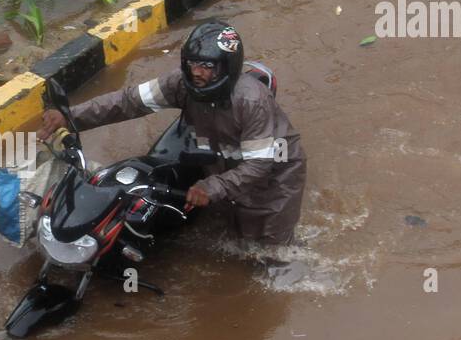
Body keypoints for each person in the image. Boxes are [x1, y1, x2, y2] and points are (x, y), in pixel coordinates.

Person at [37, 20, 307, 246]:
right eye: (192, 64)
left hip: (274, 171)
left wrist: (213, 186)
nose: (197, 72)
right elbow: (128, 102)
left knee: (267, 248)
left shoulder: (251, 101)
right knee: (229, 227)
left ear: (227, 67)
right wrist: (71, 117)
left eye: (208, 67)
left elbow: (260, 164)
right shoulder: (180, 83)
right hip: (222, 153)